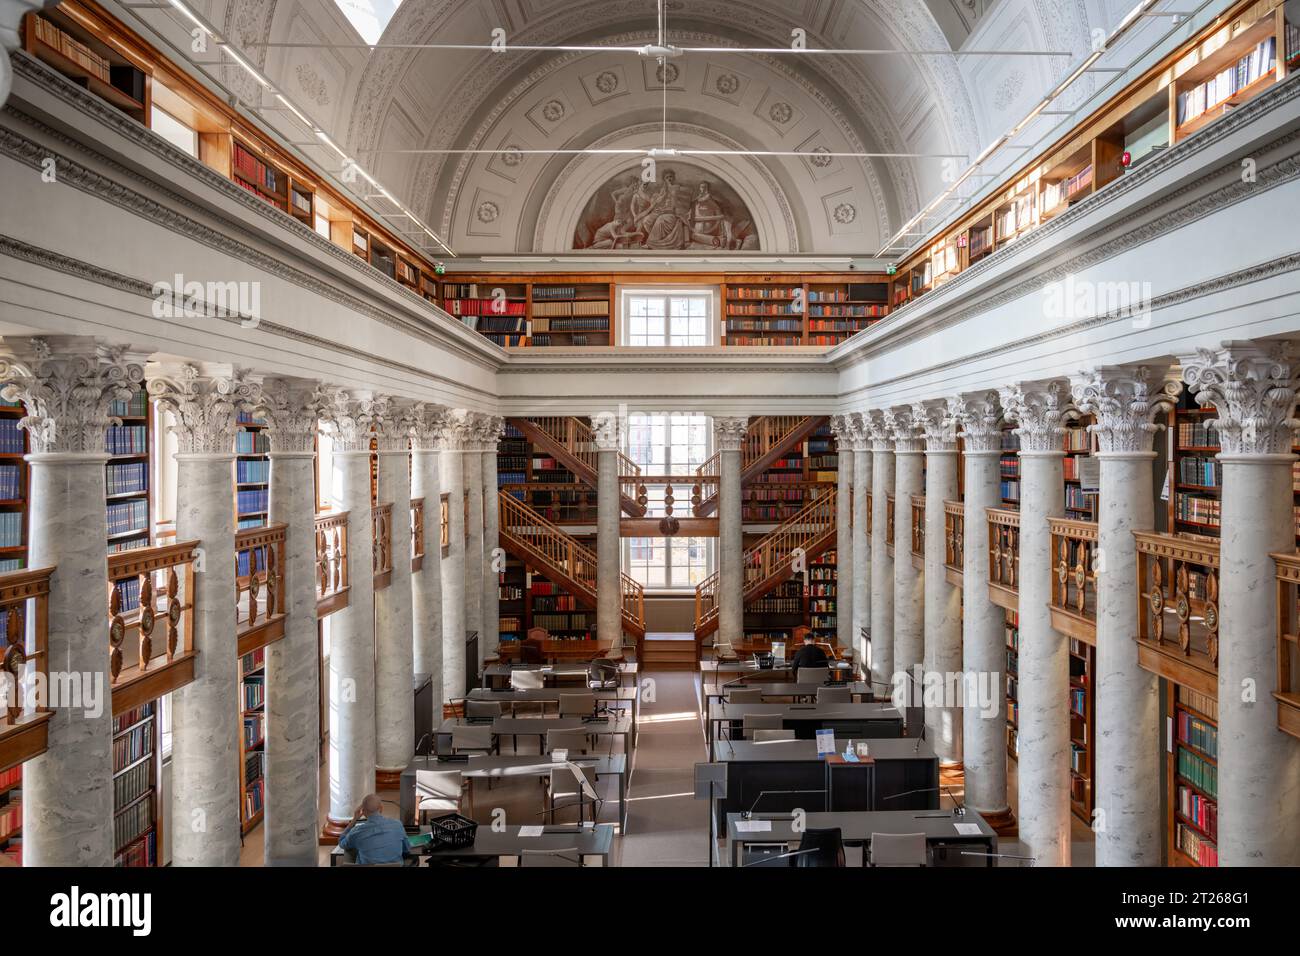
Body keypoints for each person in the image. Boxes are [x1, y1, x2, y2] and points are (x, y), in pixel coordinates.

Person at [337, 794, 412, 865]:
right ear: (381, 808)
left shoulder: (357, 832)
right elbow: (407, 849)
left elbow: (341, 843)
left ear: (363, 811)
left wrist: (354, 820)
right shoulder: (397, 824)